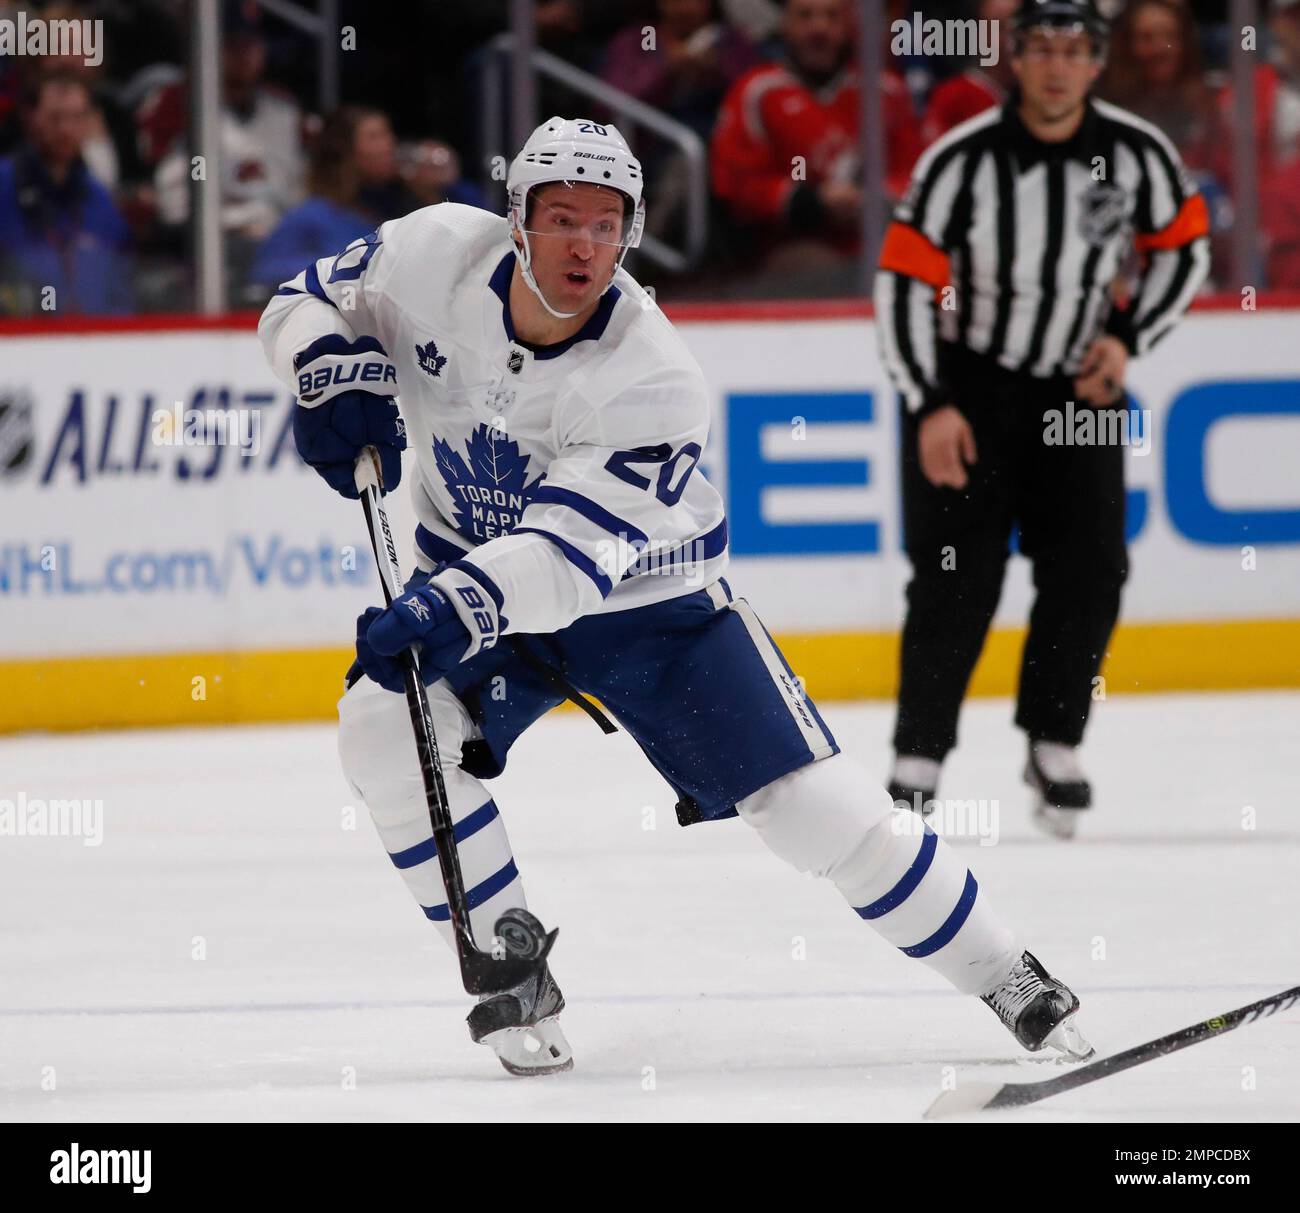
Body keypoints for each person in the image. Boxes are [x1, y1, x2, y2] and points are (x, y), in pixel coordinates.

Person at [259, 116, 1092, 1076]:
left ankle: (1008, 974)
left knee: (808, 807)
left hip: (652, 612)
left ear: (633, 233)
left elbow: (565, 565)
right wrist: (322, 371)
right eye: (562, 217)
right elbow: (304, 296)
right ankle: (509, 967)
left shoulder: (652, 375)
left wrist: (446, 607)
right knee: (380, 728)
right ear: (516, 218)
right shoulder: (430, 252)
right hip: (476, 582)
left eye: (607, 224)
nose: (584, 244)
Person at [874, 0, 1210, 838]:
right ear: (1014, 60)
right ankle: (918, 757)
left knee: (1091, 568)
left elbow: (1187, 247)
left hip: (1080, 392)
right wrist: (931, 400)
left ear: (1098, 62)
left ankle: (1054, 740)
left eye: (1073, 49)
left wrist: (1129, 340)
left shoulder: (1138, 153)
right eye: (1041, 49)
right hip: (972, 392)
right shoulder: (961, 162)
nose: (1057, 65)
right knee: (956, 577)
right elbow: (904, 281)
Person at [711, 0, 921, 273]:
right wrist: (809, 201)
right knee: (815, 265)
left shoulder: (887, 90)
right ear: (785, 24)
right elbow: (735, 184)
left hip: (880, 244)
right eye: (805, 16)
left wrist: (872, 197)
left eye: (831, 17)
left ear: (848, 25)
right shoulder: (756, 91)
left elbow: (915, 173)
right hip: (788, 250)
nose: (819, 28)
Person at [0, 72, 133, 315]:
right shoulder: (4, 186)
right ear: (31, 117)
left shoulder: (99, 200)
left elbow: (120, 290)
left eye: (77, 117)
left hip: (94, 343)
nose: (66, 129)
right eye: (55, 118)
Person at [251, 108, 416, 292]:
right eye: (374, 137)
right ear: (344, 149)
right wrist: (341, 266)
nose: (389, 145)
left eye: (388, 134)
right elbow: (265, 273)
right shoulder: (311, 215)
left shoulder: (399, 206)